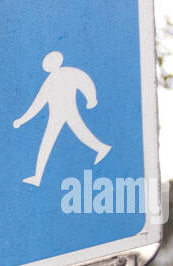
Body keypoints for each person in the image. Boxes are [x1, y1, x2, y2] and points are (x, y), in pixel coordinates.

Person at [13, 51, 110, 187]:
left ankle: (38, 176)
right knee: (71, 135)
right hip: (58, 114)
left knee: (55, 140)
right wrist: (22, 120)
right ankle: (101, 148)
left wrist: (91, 99)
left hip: (66, 111)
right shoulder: (52, 80)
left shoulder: (66, 74)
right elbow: (37, 104)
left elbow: (84, 81)